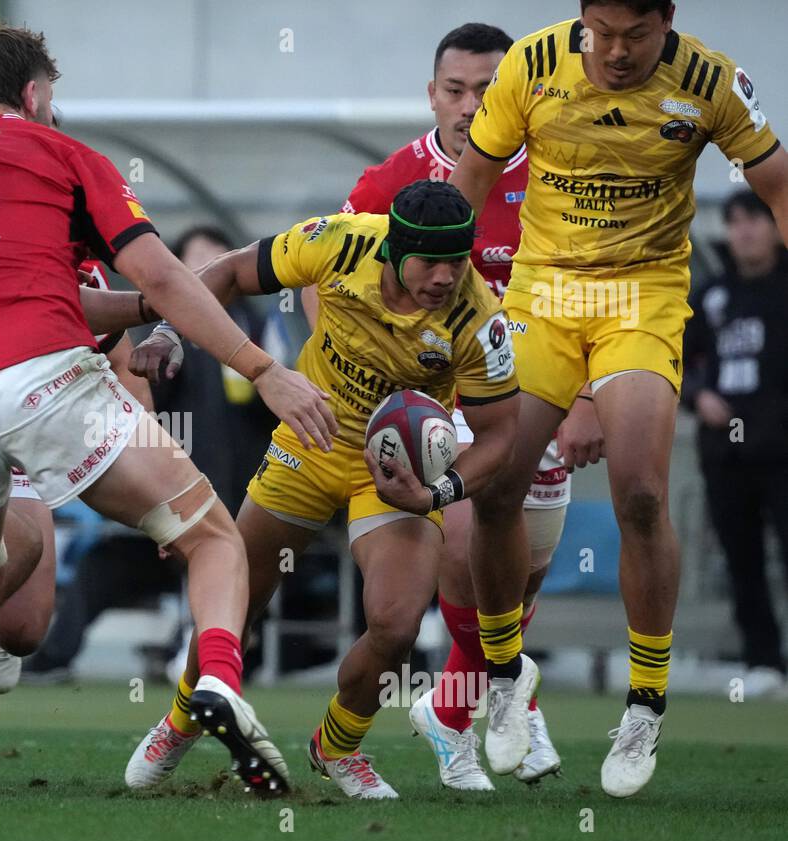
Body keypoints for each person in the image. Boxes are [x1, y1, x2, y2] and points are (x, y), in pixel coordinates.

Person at [0, 26, 335, 797]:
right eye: (51, 98)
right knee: (209, 535)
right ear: (33, 95)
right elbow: (165, 278)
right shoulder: (64, 155)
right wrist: (264, 369)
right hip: (44, 376)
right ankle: (221, 683)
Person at [449, 0, 788, 796]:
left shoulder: (710, 80)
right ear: (582, 17)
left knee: (639, 493)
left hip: (644, 296)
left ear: (667, 19)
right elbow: (468, 184)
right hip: (541, 299)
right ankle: (505, 676)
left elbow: (776, 185)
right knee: (496, 482)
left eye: (637, 34)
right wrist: (435, 294)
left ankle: (643, 703)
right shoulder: (531, 67)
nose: (619, 51)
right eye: (604, 33)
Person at [125, 180, 521, 799]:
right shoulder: (338, 242)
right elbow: (228, 273)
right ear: (395, 250)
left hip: (397, 475)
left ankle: (337, 744)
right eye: (431, 262)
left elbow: (500, 437)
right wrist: (171, 333)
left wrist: (436, 493)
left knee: (396, 624)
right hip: (311, 440)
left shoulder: (481, 320)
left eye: (457, 261)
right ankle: (179, 723)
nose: (446, 277)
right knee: (238, 598)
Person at [334, 22, 606, 788]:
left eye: (488, 90)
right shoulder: (389, 184)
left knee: (518, 579)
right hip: (436, 404)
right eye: (455, 90)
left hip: (539, 395)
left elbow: (587, 287)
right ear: (432, 94)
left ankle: (452, 710)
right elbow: (334, 287)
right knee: (465, 545)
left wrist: (587, 393)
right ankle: (513, 690)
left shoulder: (563, 176)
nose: (470, 105)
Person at [23, 225, 274, 682]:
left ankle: (215, 659)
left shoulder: (259, 327)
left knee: (230, 557)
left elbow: (267, 406)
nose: (207, 274)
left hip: (240, 483)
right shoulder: (152, 327)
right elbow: (137, 378)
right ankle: (50, 654)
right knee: (107, 566)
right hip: (166, 475)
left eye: (220, 260)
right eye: (194, 264)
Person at [684, 189, 788, 698]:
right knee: (741, 558)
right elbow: (675, 363)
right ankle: (763, 661)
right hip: (726, 454)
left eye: (755, 220)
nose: (745, 231)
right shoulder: (711, 296)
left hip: (782, 452)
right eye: (736, 221)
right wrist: (699, 395)